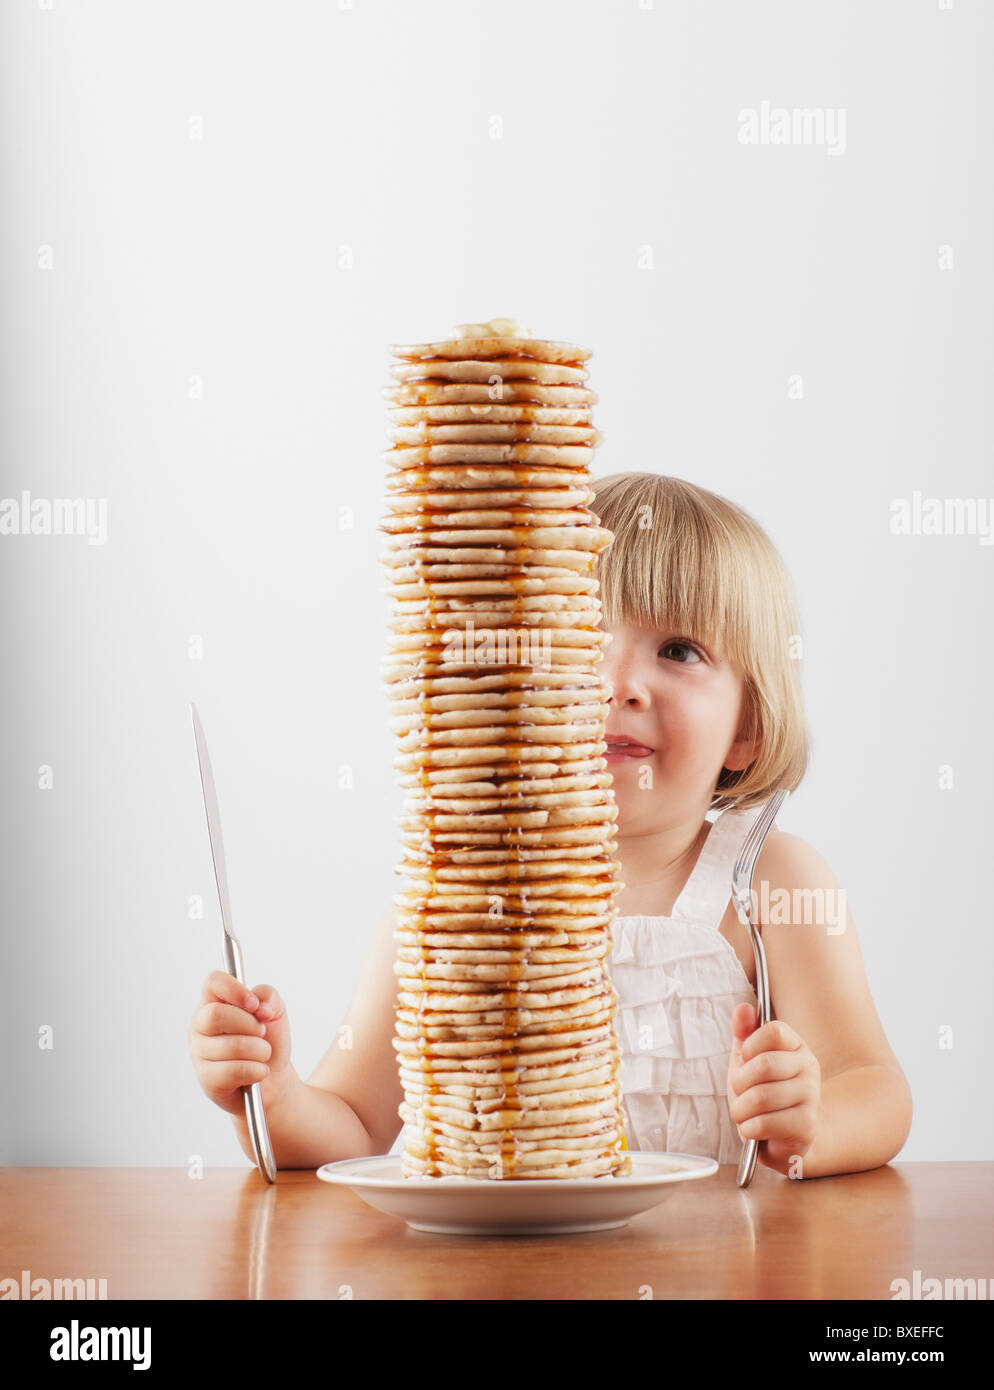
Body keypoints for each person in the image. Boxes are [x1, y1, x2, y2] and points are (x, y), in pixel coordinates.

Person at [188, 471, 912, 1178]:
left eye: (679, 651)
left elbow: (875, 1090)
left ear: (748, 730)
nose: (616, 685)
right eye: (577, 640)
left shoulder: (768, 885)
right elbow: (351, 1122)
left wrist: (810, 1120)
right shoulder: (452, 894)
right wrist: (270, 1094)